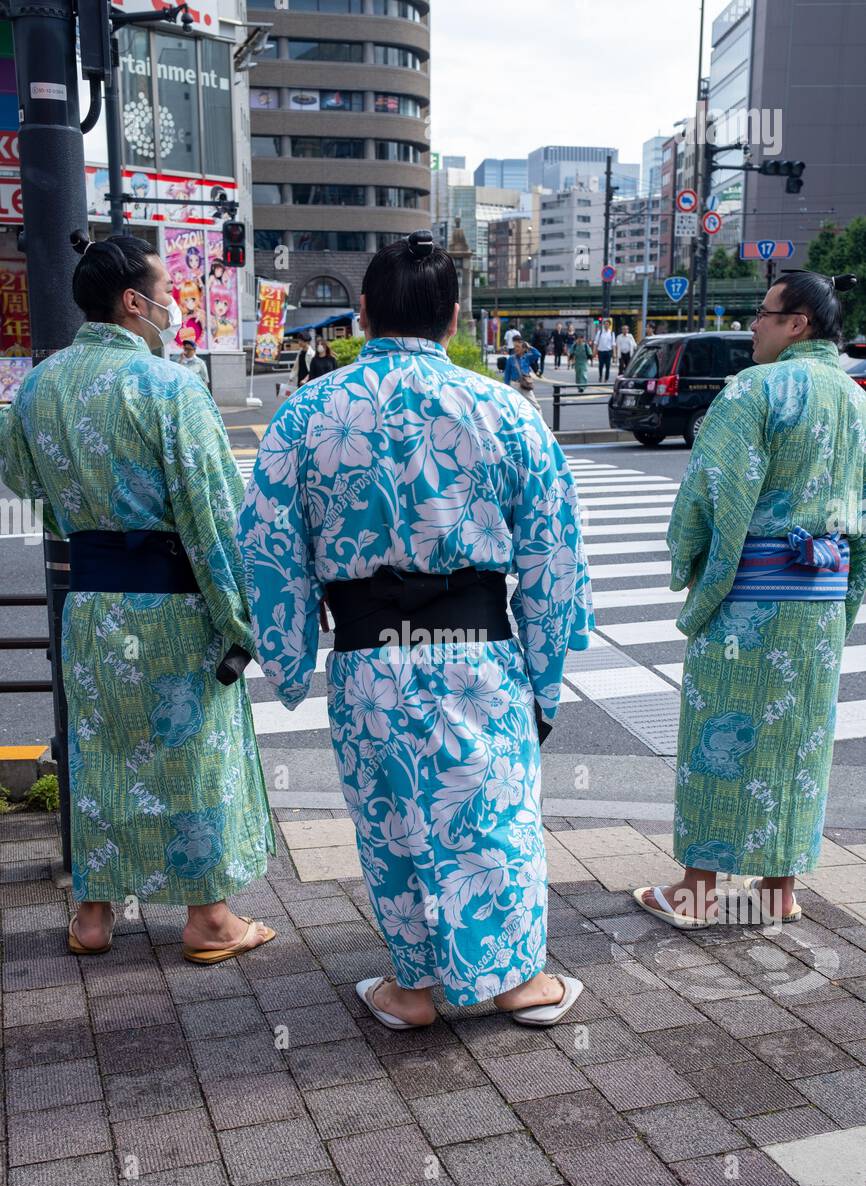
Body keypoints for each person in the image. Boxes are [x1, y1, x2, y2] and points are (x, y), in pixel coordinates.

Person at [237, 229, 596, 1029]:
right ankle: (517, 983)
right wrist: (544, 679)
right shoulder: (507, 410)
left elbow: (265, 546)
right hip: (479, 652)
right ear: (454, 315)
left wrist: (290, 659)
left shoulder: (308, 414)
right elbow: (552, 557)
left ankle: (414, 990)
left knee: (392, 815)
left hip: (371, 657)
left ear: (363, 312)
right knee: (494, 812)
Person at [0, 233, 276, 961]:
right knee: (188, 753)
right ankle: (210, 920)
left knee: (100, 756)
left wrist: (85, 532)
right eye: (166, 292)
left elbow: (27, 488)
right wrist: (240, 619)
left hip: (89, 604)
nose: (173, 304)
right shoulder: (170, 387)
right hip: (172, 608)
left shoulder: (36, 387)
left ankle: (92, 915)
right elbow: (215, 514)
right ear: (133, 302)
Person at [635, 271, 866, 929]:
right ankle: (777, 891)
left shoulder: (754, 390)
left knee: (720, 734)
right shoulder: (856, 399)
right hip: (818, 604)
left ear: (799, 323)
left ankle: (697, 892)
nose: (753, 326)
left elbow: (712, 491)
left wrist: (689, 556)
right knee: (798, 740)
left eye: (763, 315)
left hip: (750, 601)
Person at [503, 334, 542, 411]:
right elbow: (507, 375)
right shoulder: (511, 359)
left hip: (525, 385)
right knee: (513, 408)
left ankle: (540, 422)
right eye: (515, 347)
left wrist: (529, 347)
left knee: (536, 407)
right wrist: (506, 388)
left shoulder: (527, 357)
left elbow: (538, 354)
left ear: (523, 348)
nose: (516, 349)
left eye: (518, 346)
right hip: (514, 385)